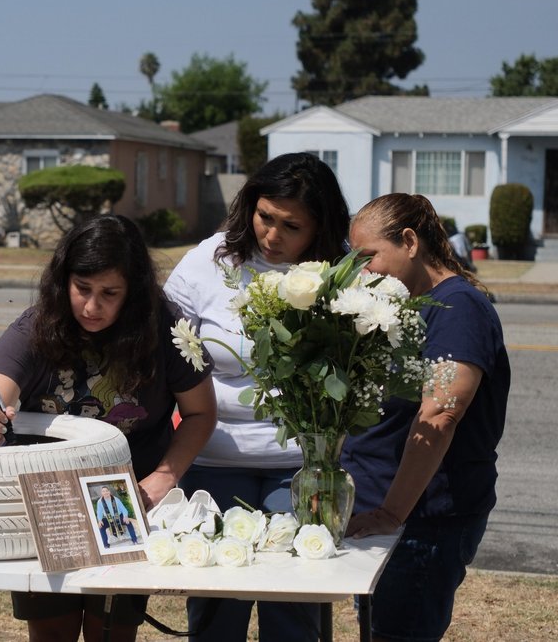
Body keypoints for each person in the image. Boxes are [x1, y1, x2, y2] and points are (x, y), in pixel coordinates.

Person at [0, 214, 217, 642]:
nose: (91, 307)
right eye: (82, 288)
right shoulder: (36, 326)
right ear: (63, 281)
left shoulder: (167, 329)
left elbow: (201, 413)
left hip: (125, 501)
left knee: (112, 631)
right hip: (50, 501)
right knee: (52, 632)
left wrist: (163, 476)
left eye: (109, 293)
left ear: (133, 292)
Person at [163, 152, 350, 642]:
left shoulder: (341, 274)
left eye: (292, 226)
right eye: (265, 216)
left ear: (320, 228)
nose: (271, 234)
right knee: (216, 606)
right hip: (213, 461)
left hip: (301, 466)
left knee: (293, 606)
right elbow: (166, 350)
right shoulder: (208, 260)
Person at [342, 193, 509, 642]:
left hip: (421, 520)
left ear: (410, 242)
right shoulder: (409, 302)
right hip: (383, 512)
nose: (363, 271)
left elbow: (440, 414)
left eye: (369, 256)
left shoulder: (457, 309)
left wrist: (391, 512)